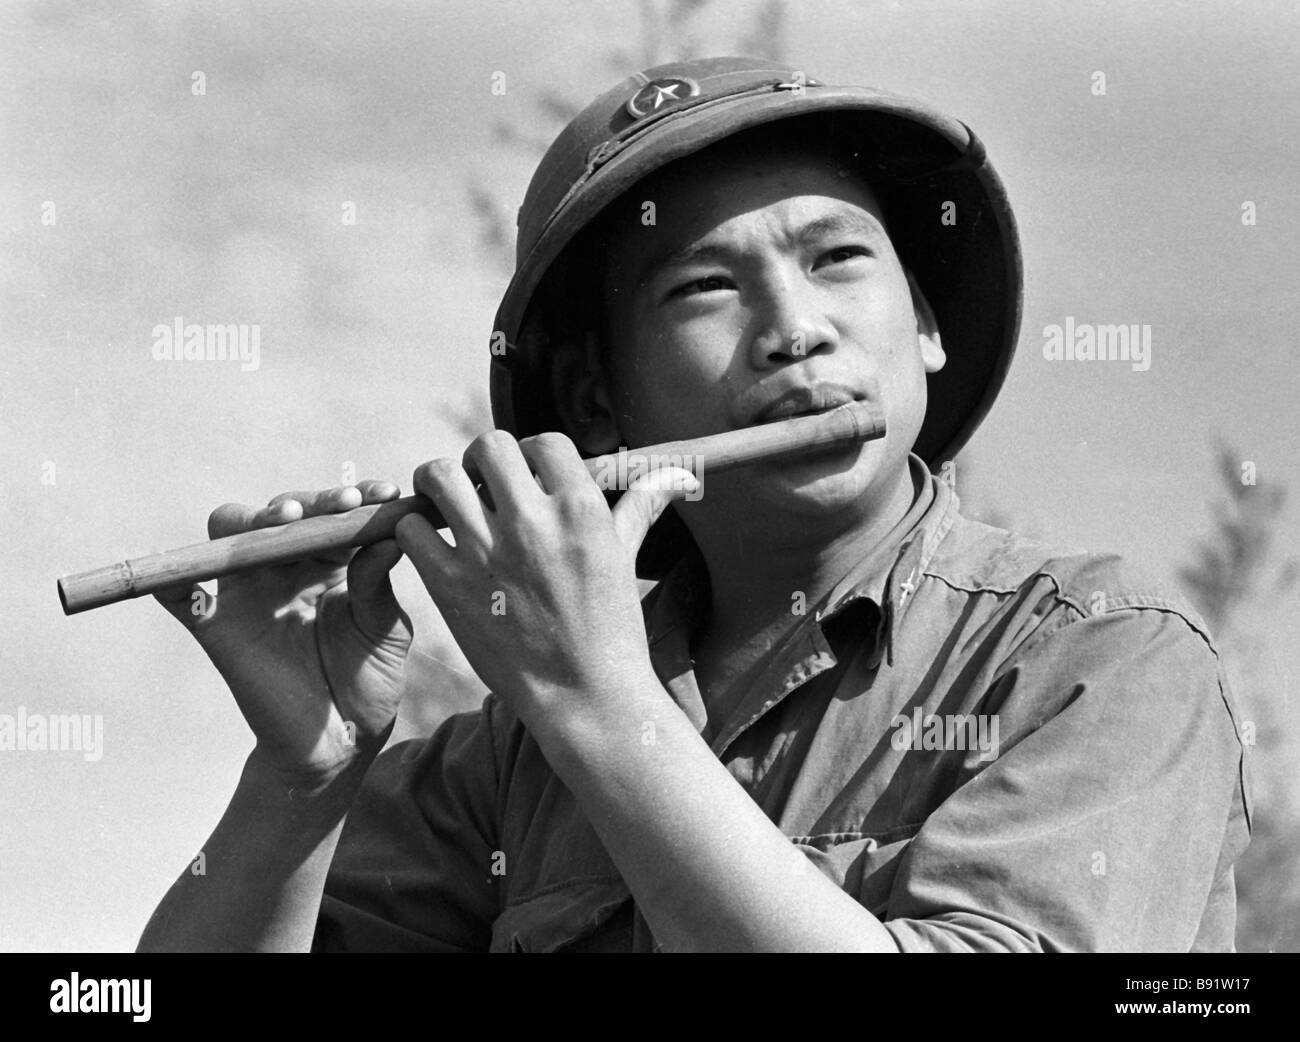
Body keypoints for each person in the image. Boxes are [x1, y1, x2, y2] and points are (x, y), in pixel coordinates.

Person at [137, 57, 1251, 953]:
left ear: (923, 323)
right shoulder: (504, 763)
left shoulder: (1100, 653)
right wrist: (302, 777)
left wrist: (603, 710)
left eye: (837, 258)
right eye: (704, 288)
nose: (793, 327)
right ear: (594, 401)